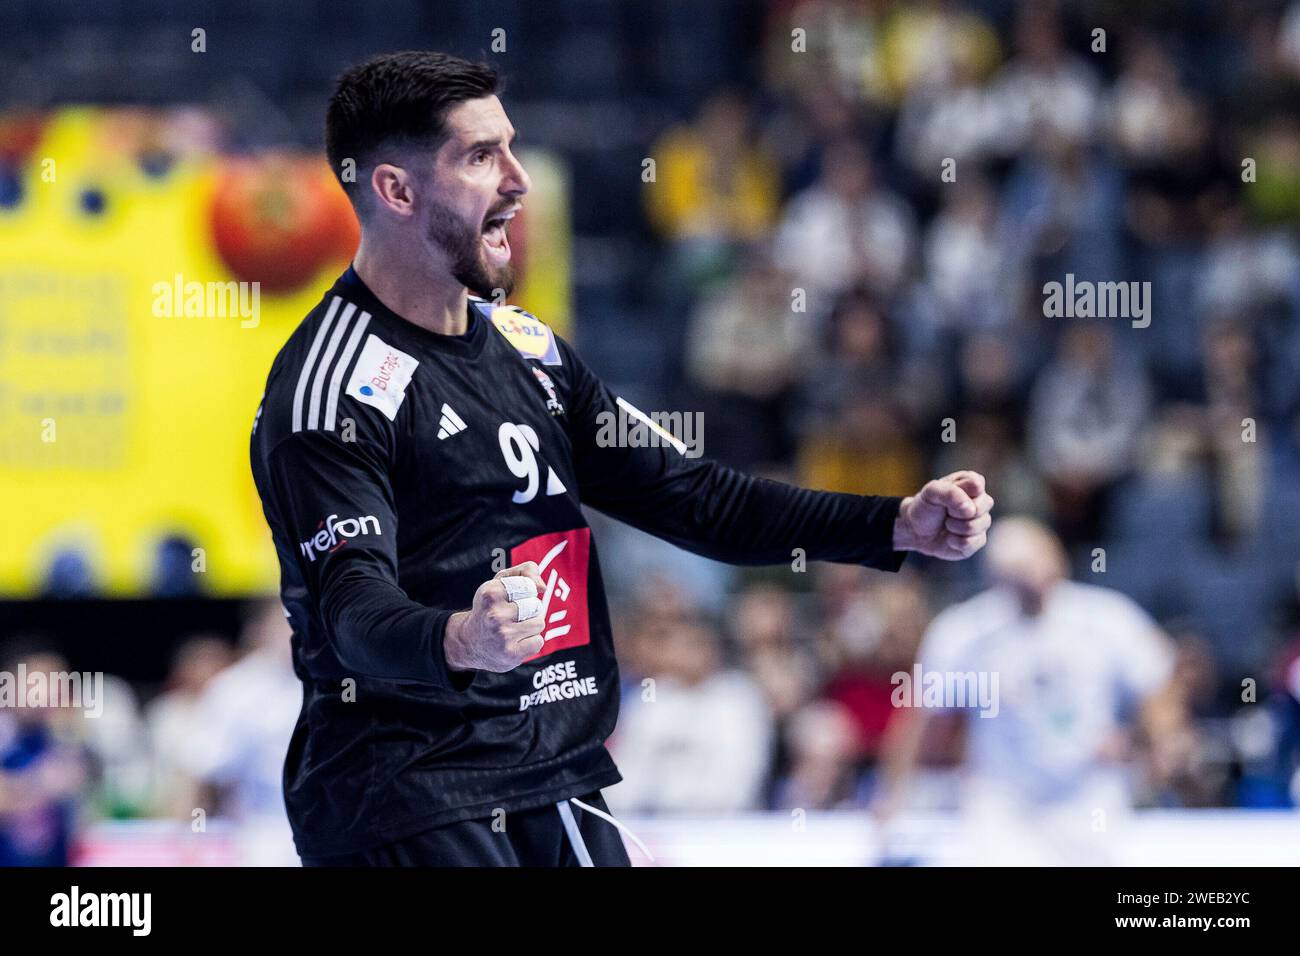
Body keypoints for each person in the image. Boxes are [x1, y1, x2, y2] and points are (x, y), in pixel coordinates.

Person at [249, 50, 994, 867]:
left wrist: (895, 525)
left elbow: (697, 497)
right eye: (479, 155)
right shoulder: (333, 387)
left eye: (511, 146)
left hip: (555, 773)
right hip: (406, 799)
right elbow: (351, 610)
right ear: (394, 190)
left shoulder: (526, 348)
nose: (517, 179)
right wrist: (462, 638)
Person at [873, 517, 1175, 865]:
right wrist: (891, 793)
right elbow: (920, 718)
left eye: (1036, 565)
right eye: (1017, 572)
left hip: (1088, 795)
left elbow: (1156, 686)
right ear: (994, 575)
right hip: (1002, 801)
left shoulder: (1106, 618)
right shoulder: (964, 632)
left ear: (1057, 557)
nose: (1031, 581)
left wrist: (1150, 744)